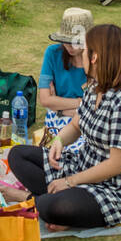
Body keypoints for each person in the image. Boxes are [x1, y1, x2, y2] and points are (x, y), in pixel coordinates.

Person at [8, 23, 121, 230]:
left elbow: (117, 165)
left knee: (52, 206)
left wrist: (70, 182)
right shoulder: (95, 87)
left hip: (115, 188)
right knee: (17, 155)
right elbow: (76, 125)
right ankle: (60, 206)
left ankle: (35, 200)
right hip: (83, 165)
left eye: (85, 50)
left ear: (94, 57)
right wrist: (58, 141)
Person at [38, 8, 91, 151]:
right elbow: (45, 100)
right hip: (59, 119)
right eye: (65, 41)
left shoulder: (96, 59)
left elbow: (98, 107)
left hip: (83, 119)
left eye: (74, 42)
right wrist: (82, 103)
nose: (69, 46)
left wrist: (59, 107)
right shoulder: (53, 53)